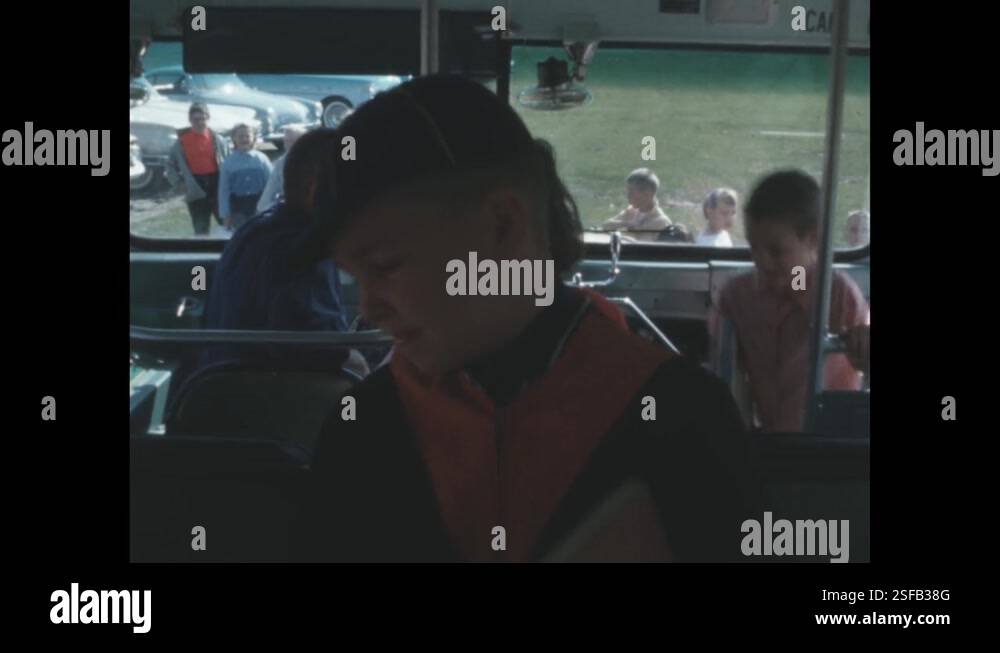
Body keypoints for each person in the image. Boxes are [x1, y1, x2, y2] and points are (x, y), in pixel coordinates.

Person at [296, 75, 751, 563]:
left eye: (384, 266)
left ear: (503, 224)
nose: (367, 307)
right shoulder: (362, 433)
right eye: (353, 277)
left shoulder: (681, 422)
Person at [708, 170, 870, 433]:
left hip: (830, 444)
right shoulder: (737, 298)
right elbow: (728, 377)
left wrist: (863, 347)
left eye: (776, 250)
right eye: (753, 247)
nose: (762, 261)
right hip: (768, 445)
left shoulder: (839, 296)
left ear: (813, 240)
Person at [199, 128, 363, 377]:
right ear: (316, 189)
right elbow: (328, 355)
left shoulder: (255, 230)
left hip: (224, 384)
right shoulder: (303, 253)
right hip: (273, 397)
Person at [165, 102, 230, 236]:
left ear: (208, 118)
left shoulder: (218, 139)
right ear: (190, 120)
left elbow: (229, 162)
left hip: (217, 184)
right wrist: (178, 183)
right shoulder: (181, 142)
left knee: (226, 224)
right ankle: (201, 252)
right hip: (195, 186)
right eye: (196, 119)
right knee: (201, 229)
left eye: (203, 119)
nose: (200, 122)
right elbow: (169, 165)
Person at [218, 123, 273, 232]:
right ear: (234, 139)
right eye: (240, 136)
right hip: (238, 208)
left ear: (253, 138)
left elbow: (271, 185)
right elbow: (224, 191)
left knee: (260, 234)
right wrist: (225, 215)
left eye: (247, 136)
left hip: (259, 205)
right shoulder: (228, 163)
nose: (244, 139)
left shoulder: (262, 160)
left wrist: (270, 207)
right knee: (242, 234)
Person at [601, 168, 672, 242]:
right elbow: (605, 226)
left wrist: (622, 238)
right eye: (627, 191)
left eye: (631, 191)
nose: (628, 196)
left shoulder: (661, 222)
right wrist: (625, 224)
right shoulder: (631, 211)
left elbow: (645, 247)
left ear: (647, 194)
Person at [257, 125, 307, 213]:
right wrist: (261, 210)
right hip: (288, 206)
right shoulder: (280, 163)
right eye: (286, 141)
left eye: (292, 141)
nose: (288, 145)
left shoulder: (315, 160)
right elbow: (271, 188)